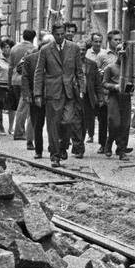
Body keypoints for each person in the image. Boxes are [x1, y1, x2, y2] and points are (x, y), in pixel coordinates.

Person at [33, 22, 86, 166]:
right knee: (53, 125)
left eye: (63, 34)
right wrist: (37, 94)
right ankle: (55, 156)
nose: (60, 37)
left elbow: (79, 71)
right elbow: (39, 72)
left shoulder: (73, 48)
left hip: (69, 92)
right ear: (53, 34)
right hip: (53, 92)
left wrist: (82, 89)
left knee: (68, 121)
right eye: (57, 34)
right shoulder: (45, 50)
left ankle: (63, 148)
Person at [100, 30, 133, 159]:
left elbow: (134, 81)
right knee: (114, 123)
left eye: (124, 55)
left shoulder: (129, 69)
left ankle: (121, 150)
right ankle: (109, 143)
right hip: (114, 97)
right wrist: (115, 87)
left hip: (126, 98)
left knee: (125, 125)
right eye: (120, 54)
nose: (122, 57)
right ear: (117, 55)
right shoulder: (110, 67)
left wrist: (131, 87)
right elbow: (104, 83)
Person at [83, 32, 113, 149]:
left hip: (101, 88)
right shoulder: (86, 53)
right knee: (88, 115)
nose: (98, 44)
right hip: (89, 90)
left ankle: (102, 143)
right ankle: (90, 134)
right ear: (92, 42)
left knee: (102, 118)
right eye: (96, 41)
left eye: (100, 41)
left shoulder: (105, 54)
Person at [21, 34, 49, 159]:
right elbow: (25, 77)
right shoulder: (30, 59)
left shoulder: (55, 59)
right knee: (37, 124)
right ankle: (38, 150)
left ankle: (53, 148)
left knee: (53, 124)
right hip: (35, 96)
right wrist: (27, 94)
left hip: (52, 96)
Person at [10, 29, 37, 143]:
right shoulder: (33, 49)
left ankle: (20, 131)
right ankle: (19, 132)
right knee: (24, 107)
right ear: (33, 37)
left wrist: (9, 82)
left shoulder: (14, 48)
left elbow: (11, 67)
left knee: (20, 107)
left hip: (15, 79)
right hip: (25, 80)